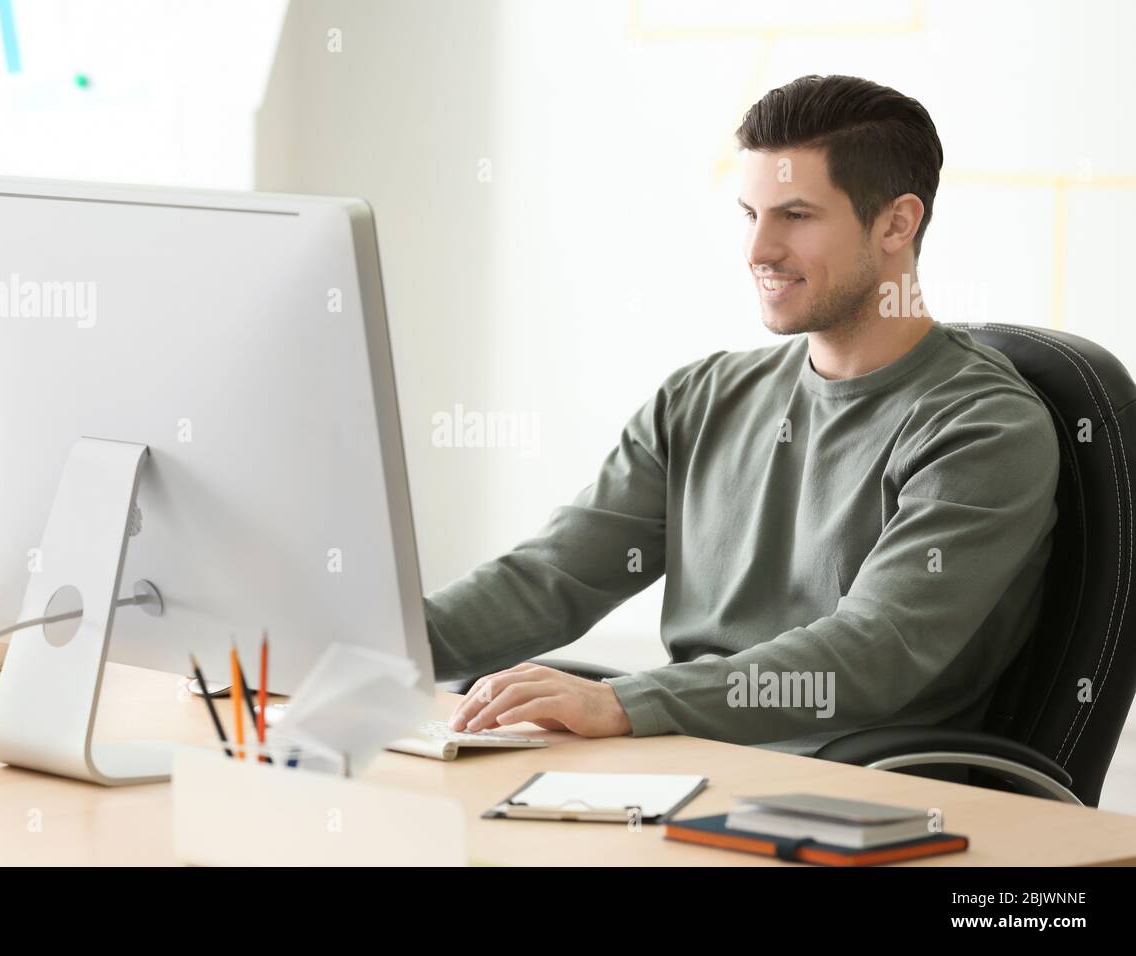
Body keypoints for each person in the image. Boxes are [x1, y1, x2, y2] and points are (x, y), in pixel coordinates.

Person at [429, 74, 1060, 756]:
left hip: (854, 797)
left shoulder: (984, 428)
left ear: (896, 223)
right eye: (750, 215)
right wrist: (357, 649)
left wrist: (627, 702)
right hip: (688, 765)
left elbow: (872, 653)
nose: (759, 251)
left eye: (796, 216)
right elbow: (552, 580)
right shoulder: (701, 399)